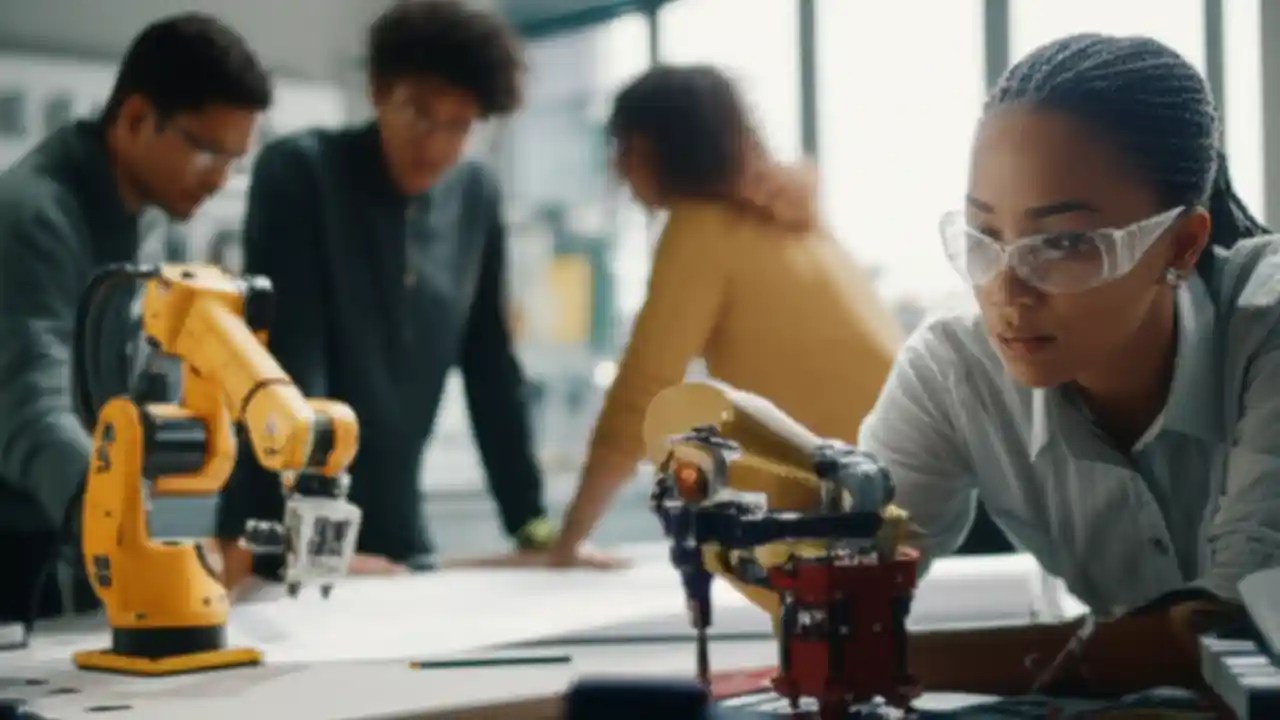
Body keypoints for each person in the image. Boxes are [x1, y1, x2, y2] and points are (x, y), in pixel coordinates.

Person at [858, 33, 1277, 696]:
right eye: (985, 237)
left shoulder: (1268, 326)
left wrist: (877, 660)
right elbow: (850, 580)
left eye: (1065, 243)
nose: (1008, 291)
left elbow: (1233, 627)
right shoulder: (953, 368)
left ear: (1182, 243)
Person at [215, 0, 557, 586]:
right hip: (280, 530)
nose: (438, 143)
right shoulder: (302, 173)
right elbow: (294, 369)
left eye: (459, 125)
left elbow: (491, 368)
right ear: (378, 91)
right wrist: (312, 537)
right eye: (422, 114)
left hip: (400, 533)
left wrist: (532, 527)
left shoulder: (474, 196)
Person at [548, 65, 903, 568]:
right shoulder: (786, 221)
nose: (619, 169)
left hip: (880, 493)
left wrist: (569, 541)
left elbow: (642, 393)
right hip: (915, 470)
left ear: (648, 147)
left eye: (622, 147)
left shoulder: (699, 230)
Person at [0, 14, 270, 623]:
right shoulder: (32, 217)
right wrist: (128, 526)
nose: (220, 179)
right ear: (134, 119)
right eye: (205, 149)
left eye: (234, 158)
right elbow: (30, 407)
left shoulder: (141, 217)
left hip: (63, 540)